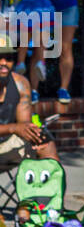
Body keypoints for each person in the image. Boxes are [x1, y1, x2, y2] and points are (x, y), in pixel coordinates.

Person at [0, 38, 60, 168]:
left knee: (45, 144)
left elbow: (23, 124)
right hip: (9, 135)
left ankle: (50, 188)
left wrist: (35, 135)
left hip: (7, 144)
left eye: (8, 58)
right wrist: (13, 128)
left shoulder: (20, 83)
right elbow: (16, 128)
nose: (3, 63)